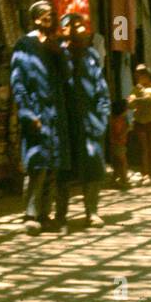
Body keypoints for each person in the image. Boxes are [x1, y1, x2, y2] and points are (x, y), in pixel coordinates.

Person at [10, 0, 69, 235]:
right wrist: (26, 112)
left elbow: (67, 77)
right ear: (35, 19)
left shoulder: (57, 45)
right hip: (36, 111)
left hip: (56, 114)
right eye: (45, 15)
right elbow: (18, 81)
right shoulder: (25, 44)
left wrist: (59, 54)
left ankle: (45, 214)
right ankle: (31, 214)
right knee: (37, 165)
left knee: (52, 165)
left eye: (52, 15)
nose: (50, 19)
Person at [57, 12, 111, 229]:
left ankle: (92, 211)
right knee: (63, 171)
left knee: (93, 167)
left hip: (90, 121)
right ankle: (61, 215)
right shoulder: (58, 55)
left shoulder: (91, 55)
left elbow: (101, 86)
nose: (81, 30)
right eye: (75, 27)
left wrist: (102, 115)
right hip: (66, 122)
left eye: (82, 26)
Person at [128, 64, 151, 185]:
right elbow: (130, 104)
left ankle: (150, 171)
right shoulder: (135, 89)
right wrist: (136, 100)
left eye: (143, 74)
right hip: (139, 121)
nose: (140, 76)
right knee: (143, 147)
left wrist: (148, 101)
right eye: (138, 74)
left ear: (148, 76)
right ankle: (145, 173)